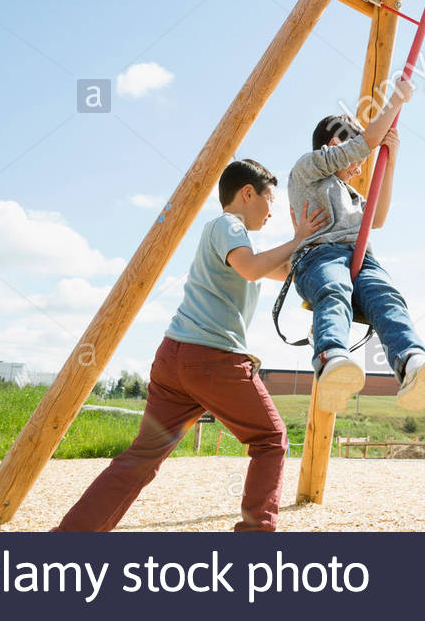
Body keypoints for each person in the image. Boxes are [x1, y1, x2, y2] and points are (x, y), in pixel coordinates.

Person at [54, 158, 327, 532]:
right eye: (270, 200)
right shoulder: (228, 225)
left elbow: (276, 269)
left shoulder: (229, 236)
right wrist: (297, 239)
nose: (271, 211)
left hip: (175, 358)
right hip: (211, 359)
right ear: (247, 193)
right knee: (270, 439)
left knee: (142, 458)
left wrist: (313, 255)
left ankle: (70, 538)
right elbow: (252, 268)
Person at [287, 76, 425, 412]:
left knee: (386, 296)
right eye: (354, 155)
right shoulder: (308, 168)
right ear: (334, 143)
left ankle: (411, 363)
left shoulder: (351, 195)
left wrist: (390, 162)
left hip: (361, 258)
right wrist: (395, 101)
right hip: (318, 258)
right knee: (334, 290)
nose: (360, 165)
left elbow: (377, 218)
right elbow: (363, 143)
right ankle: (331, 356)